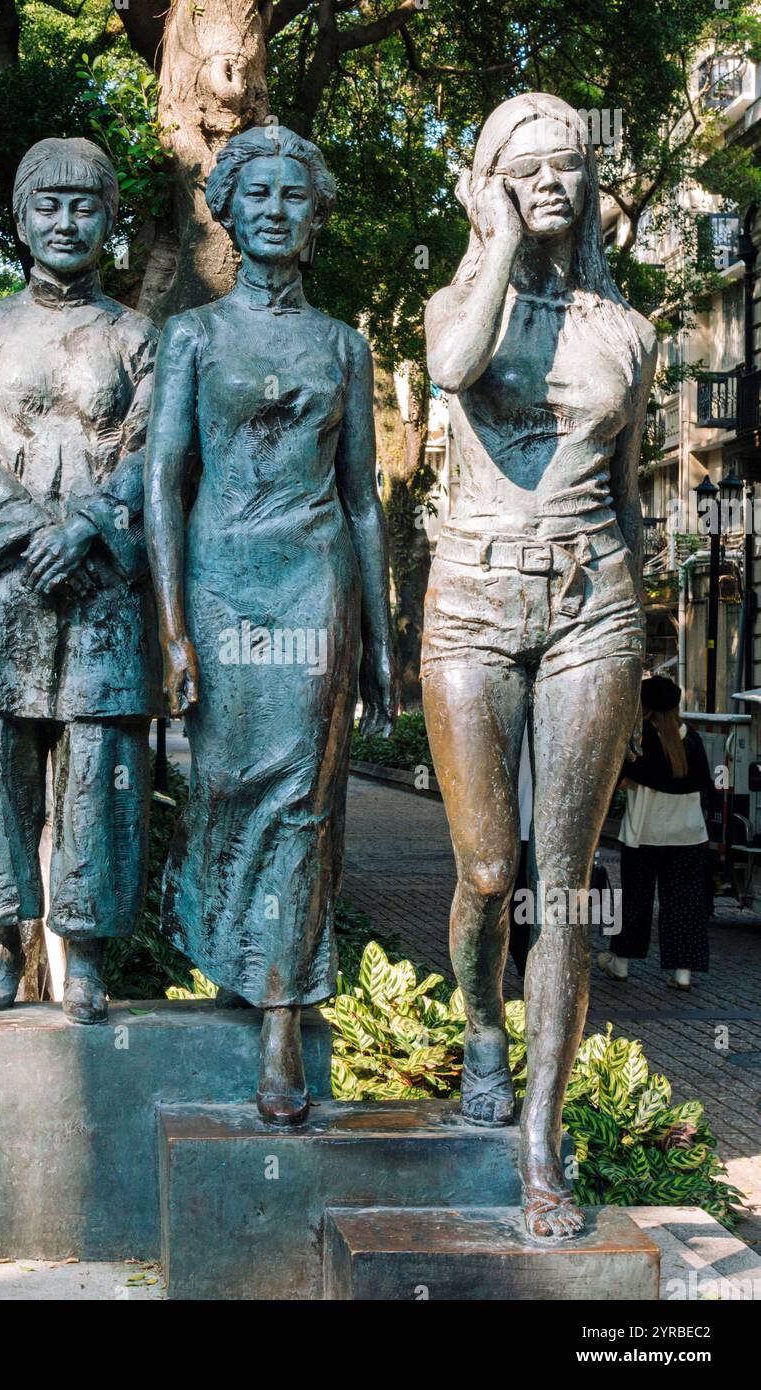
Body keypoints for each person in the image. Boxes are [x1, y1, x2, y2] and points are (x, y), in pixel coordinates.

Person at [423, 94, 656, 1239]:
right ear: (490, 182)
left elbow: (629, 497)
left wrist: (639, 617)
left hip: (591, 606)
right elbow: (459, 366)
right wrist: (497, 237)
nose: (551, 181)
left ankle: (540, 1143)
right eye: (525, 169)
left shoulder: (629, 328)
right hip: (469, 597)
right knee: (486, 870)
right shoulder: (453, 306)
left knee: (564, 880)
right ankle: (479, 1027)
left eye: (568, 167)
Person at [144, 125, 396, 1126]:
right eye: (261, 194)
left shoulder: (344, 344)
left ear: (315, 216)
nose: (280, 208)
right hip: (217, 582)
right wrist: (172, 632)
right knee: (220, 788)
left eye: (298, 194)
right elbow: (165, 483)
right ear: (231, 210)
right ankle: (228, 964)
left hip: (314, 583)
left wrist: (382, 639)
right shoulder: (194, 337)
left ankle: (285, 1016)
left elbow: (366, 498)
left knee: (300, 794)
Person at [0, 138, 162, 1023]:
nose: (66, 221)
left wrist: (91, 523)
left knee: (102, 767)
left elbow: (160, 452)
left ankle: (86, 953)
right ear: (20, 221)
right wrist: (27, 531)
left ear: (108, 219)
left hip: (102, 595)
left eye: (84, 205)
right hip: (2, 589)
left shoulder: (141, 340)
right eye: (48, 205)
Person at [599, 675, 712, 989]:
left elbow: (618, 783)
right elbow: (703, 785)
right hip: (687, 835)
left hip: (643, 835)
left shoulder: (638, 743)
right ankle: (682, 972)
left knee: (636, 901)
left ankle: (621, 963)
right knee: (685, 903)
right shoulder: (692, 740)